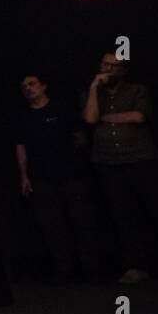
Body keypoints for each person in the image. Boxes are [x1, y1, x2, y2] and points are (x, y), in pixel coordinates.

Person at [82, 53, 158, 283]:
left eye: (114, 66)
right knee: (122, 216)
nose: (108, 69)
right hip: (108, 162)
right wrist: (93, 89)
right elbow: (90, 119)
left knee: (157, 211)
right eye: (105, 64)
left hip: (140, 158)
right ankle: (136, 266)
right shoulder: (92, 93)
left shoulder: (137, 90)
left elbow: (138, 116)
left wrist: (107, 117)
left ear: (124, 70)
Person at [14, 73, 102, 280]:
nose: (28, 88)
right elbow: (21, 147)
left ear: (43, 86)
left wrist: (70, 156)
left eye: (32, 84)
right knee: (52, 225)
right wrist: (24, 176)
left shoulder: (61, 109)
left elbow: (80, 137)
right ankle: (64, 269)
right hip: (41, 177)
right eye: (24, 86)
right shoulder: (23, 117)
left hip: (69, 173)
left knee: (82, 220)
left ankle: (92, 268)